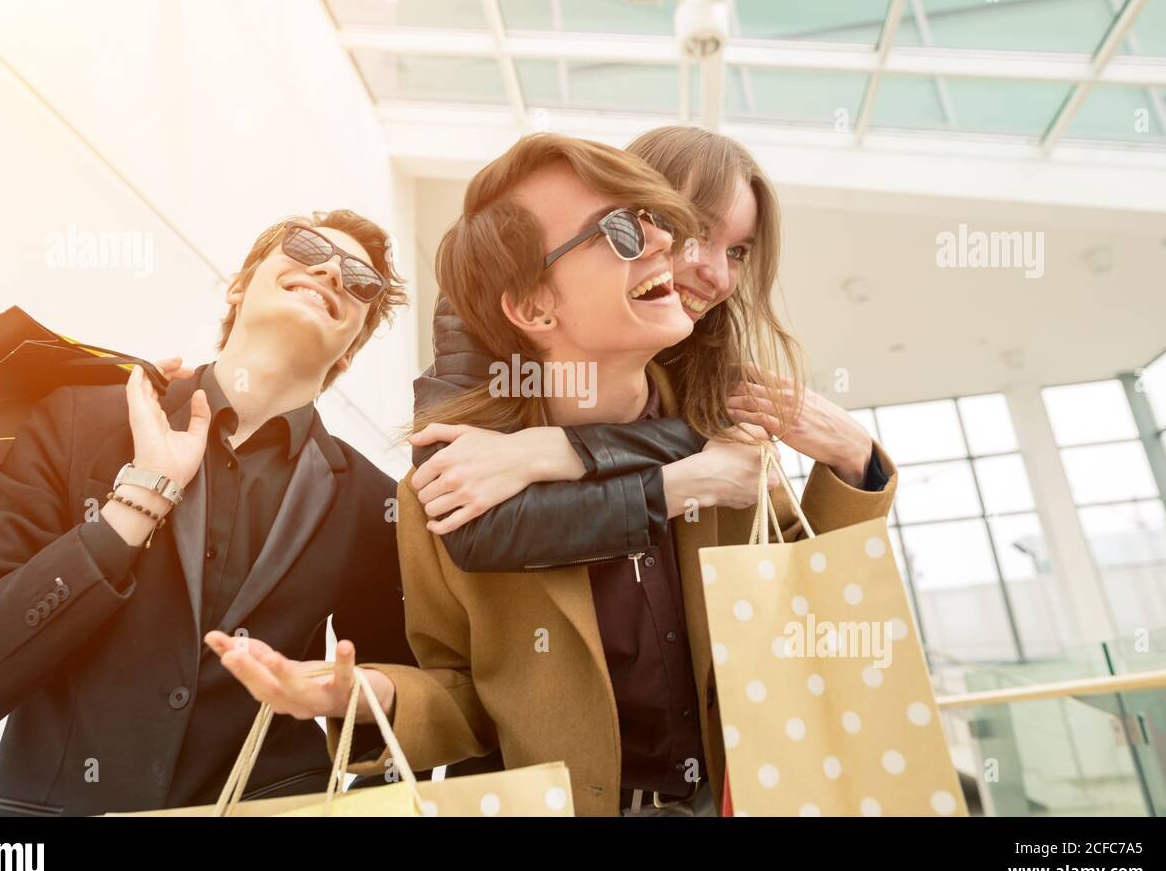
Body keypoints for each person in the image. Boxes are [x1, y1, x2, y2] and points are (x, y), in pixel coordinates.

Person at [208, 134, 898, 817]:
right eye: (628, 231)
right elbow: (465, 696)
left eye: (731, 250)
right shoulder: (450, 486)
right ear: (534, 305)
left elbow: (808, 609)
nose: (694, 263)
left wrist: (855, 463)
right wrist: (364, 699)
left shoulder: (732, 450)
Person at [0, 210, 423, 816]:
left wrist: (343, 706)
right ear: (238, 287)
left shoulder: (378, 505)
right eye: (307, 246)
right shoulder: (78, 420)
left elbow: (392, 737)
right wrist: (135, 506)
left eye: (361, 282)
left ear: (349, 351)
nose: (333, 269)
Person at [406, 125, 893, 574]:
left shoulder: (708, 370)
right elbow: (469, 526)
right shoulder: (483, 320)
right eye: (696, 231)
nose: (718, 277)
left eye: (738, 252)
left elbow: (801, 580)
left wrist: (856, 459)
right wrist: (670, 483)